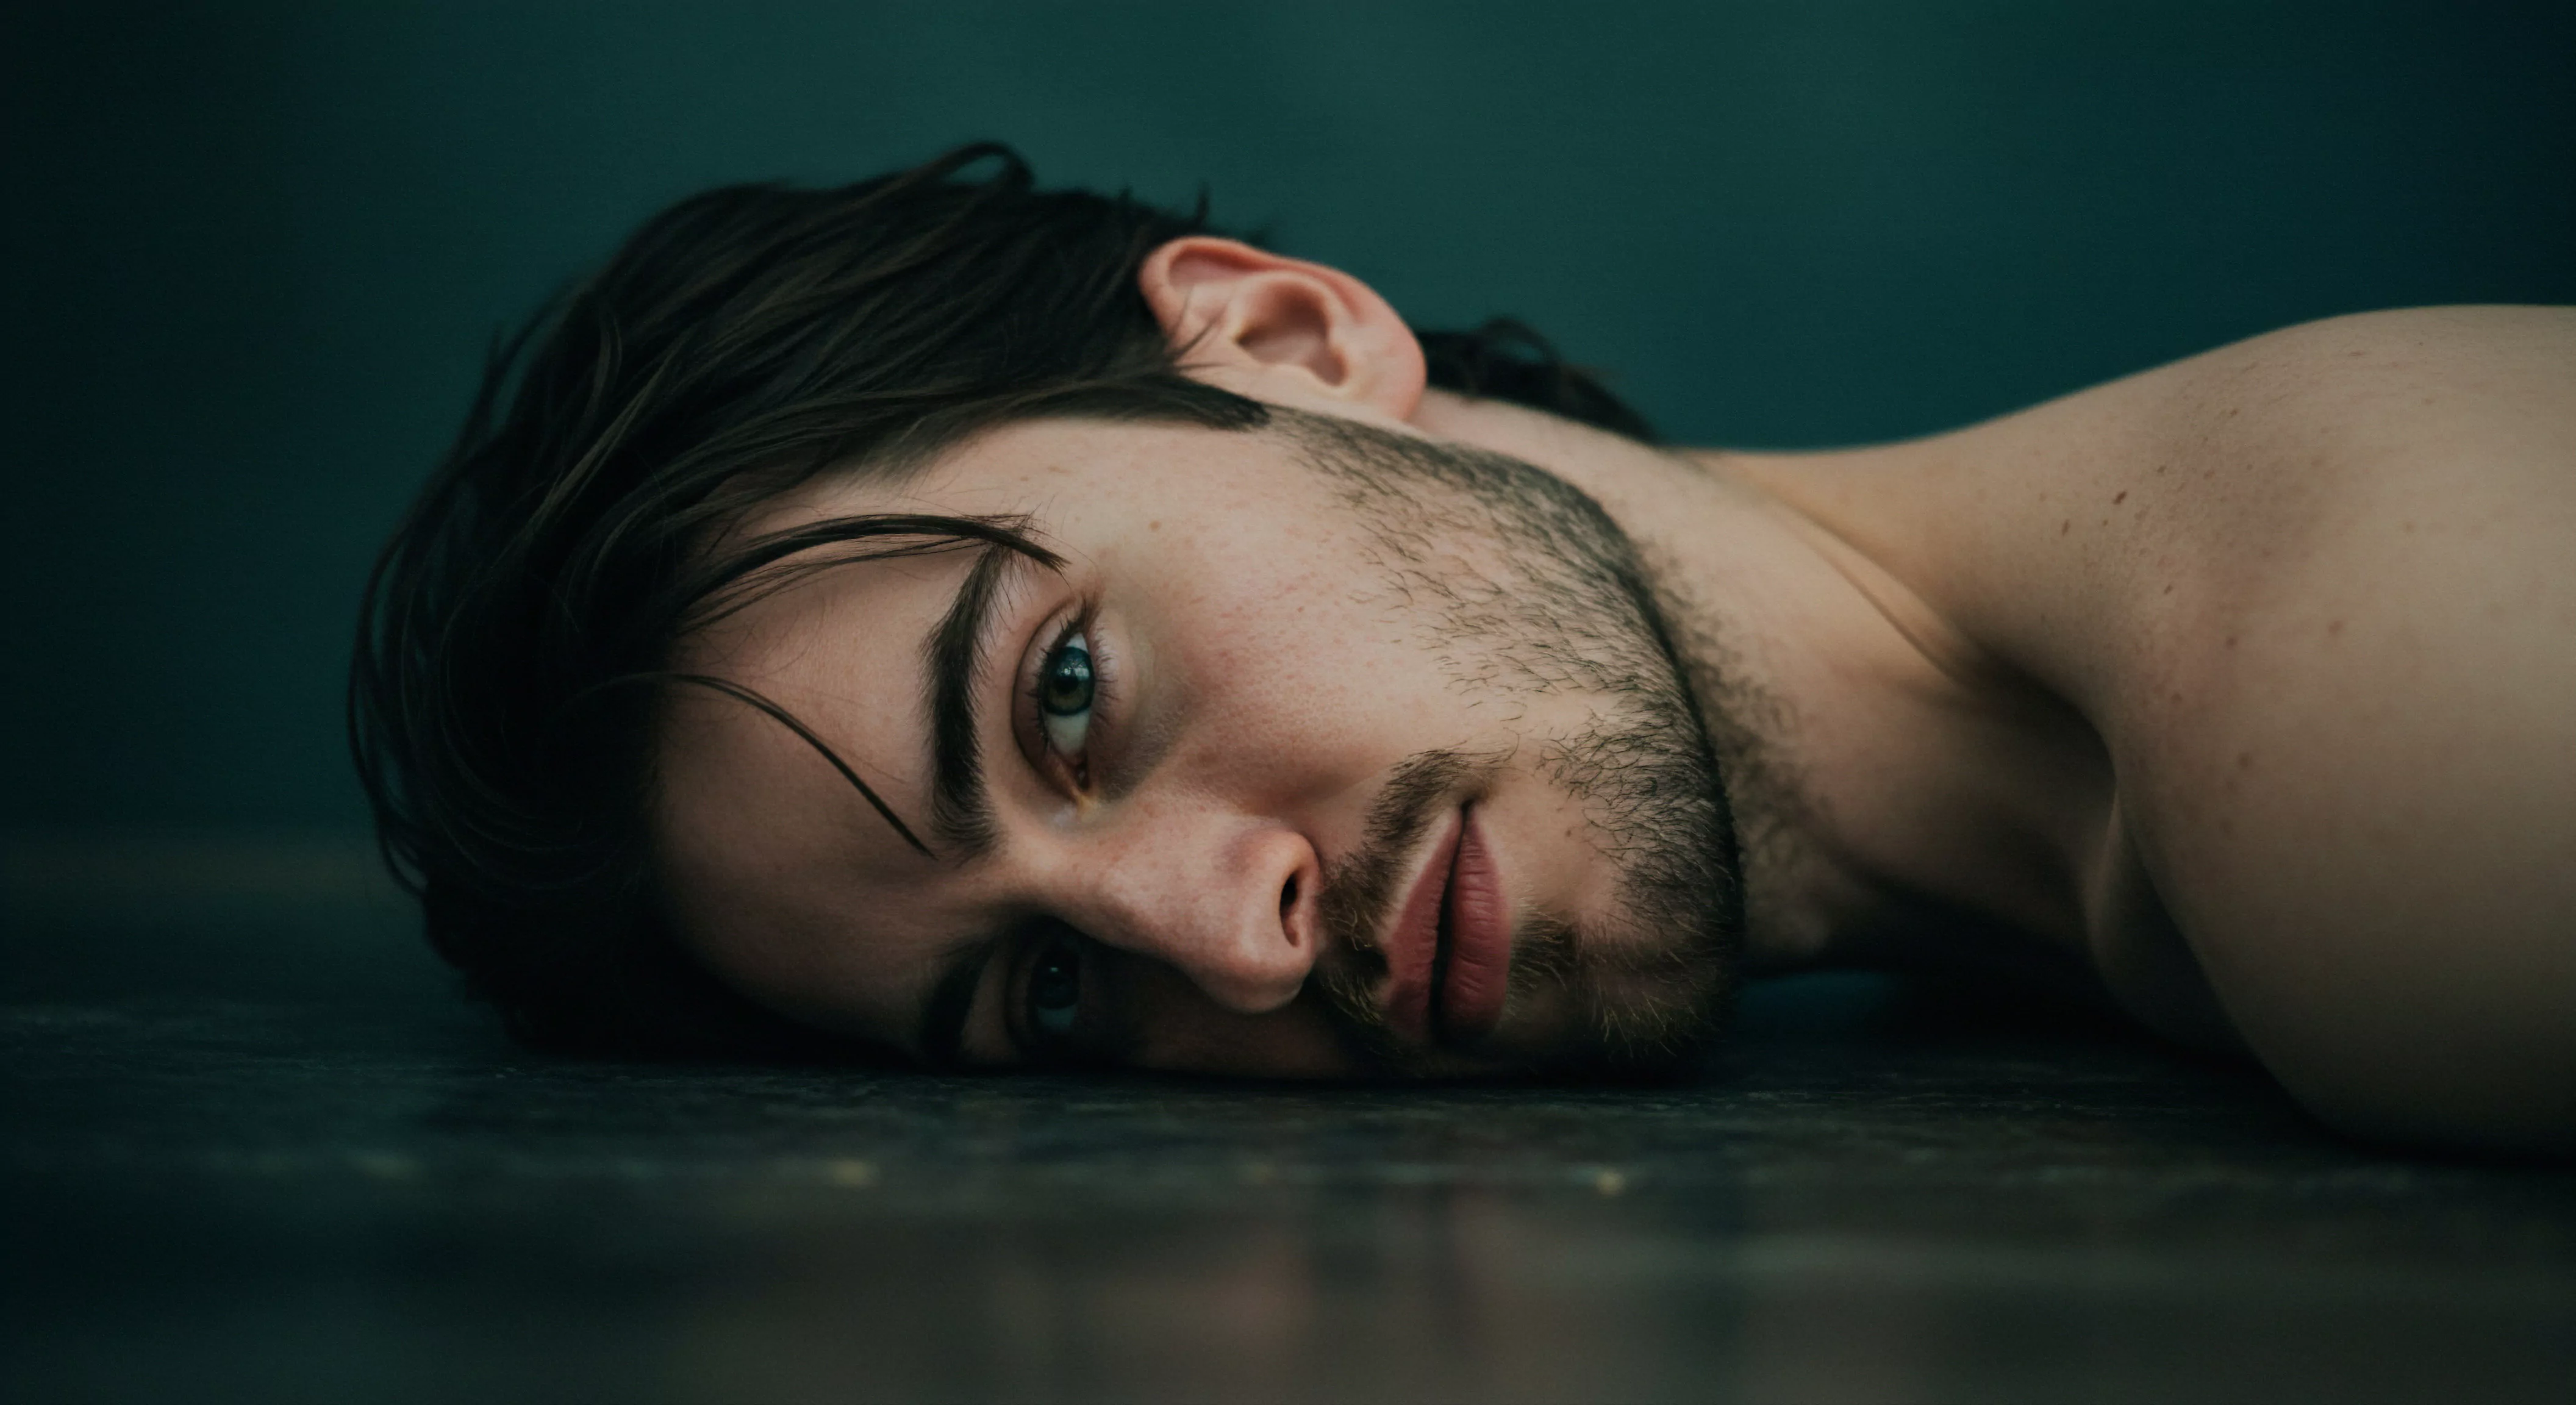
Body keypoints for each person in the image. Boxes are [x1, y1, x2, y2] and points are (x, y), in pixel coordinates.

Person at [351, 145, 2574, 1154]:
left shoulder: (2358, 726)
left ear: (1288, 343)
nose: (1225, 948)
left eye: (1061, 698)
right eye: (1047, 995)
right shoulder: (2075, 883)